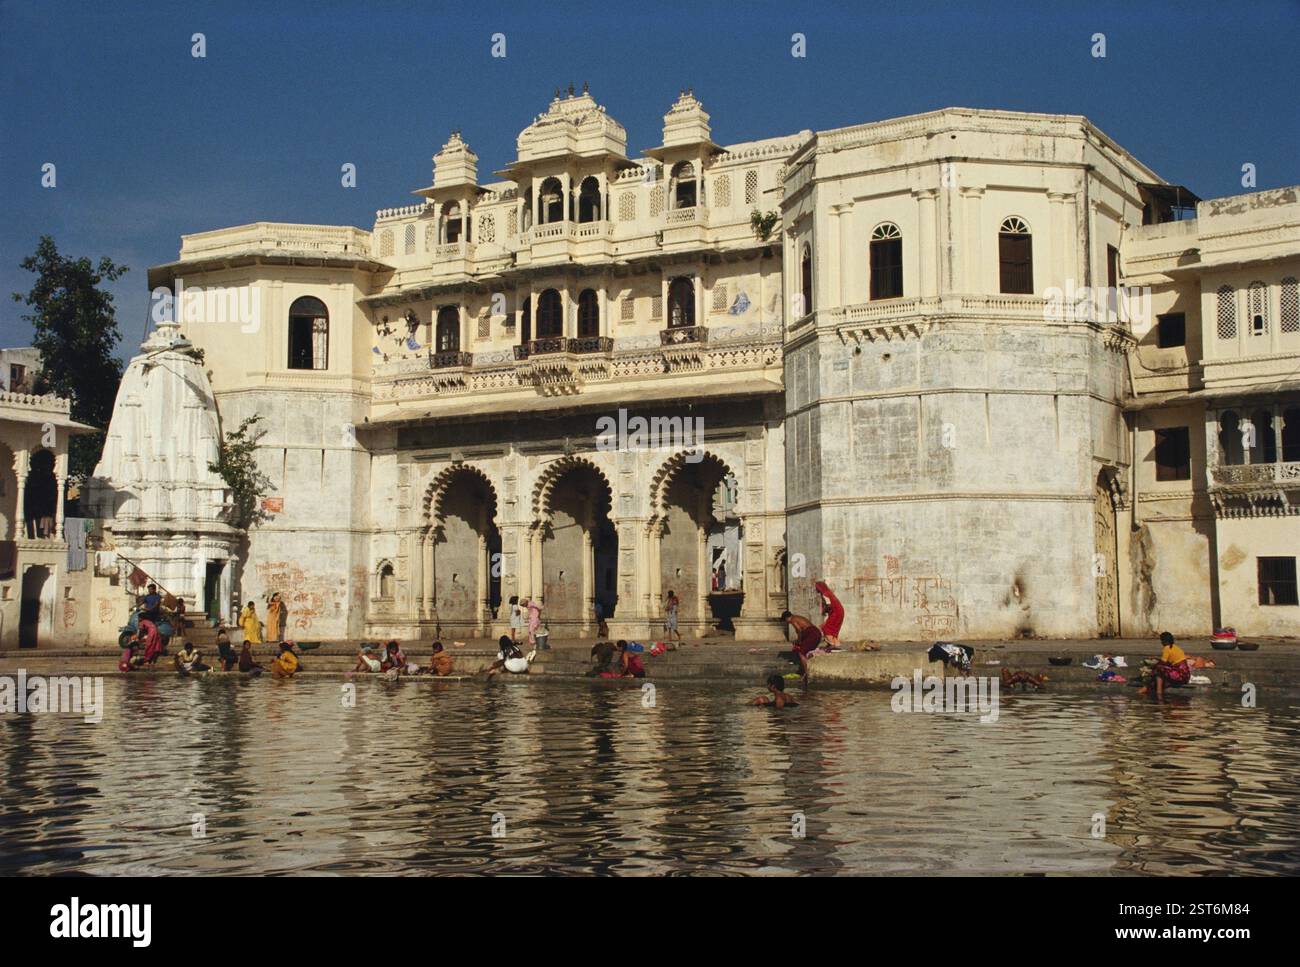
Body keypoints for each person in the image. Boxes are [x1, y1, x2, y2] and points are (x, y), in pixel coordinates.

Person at [1145, 631, 1191, 697]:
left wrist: (1151, 668)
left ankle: (1159, 694)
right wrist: (1156, 658)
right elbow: (1167, 661)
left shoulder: (1166, 648)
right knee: (1160, 669)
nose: (1161, 643)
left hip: (1180, 675)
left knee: (1158, 669)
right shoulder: (1175, 647)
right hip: (1186, 675)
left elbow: (1162, 663)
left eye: (1161, 641)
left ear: (1165, 641)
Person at [781, 610, 822, 681]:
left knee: (801, 653)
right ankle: (808, 669)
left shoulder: (793, 620)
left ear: (787, 618)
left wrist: (799, 641)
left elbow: (799, 630)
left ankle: (807, 673)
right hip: (816, 633)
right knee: (806, 651)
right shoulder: (797, 617)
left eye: (785, 620)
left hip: (812, 634)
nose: (787, 622)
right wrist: (798, 641)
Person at [814, 580, 845, 649]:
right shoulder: (828, 593)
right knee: (833, 628)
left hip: (836, 613)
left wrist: (824, 610)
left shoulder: (825, 594)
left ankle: (833, 644)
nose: (816, 589)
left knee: (827, 628)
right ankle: (833, 644)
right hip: (838, 612)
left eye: (817, 588)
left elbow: (828, 604)